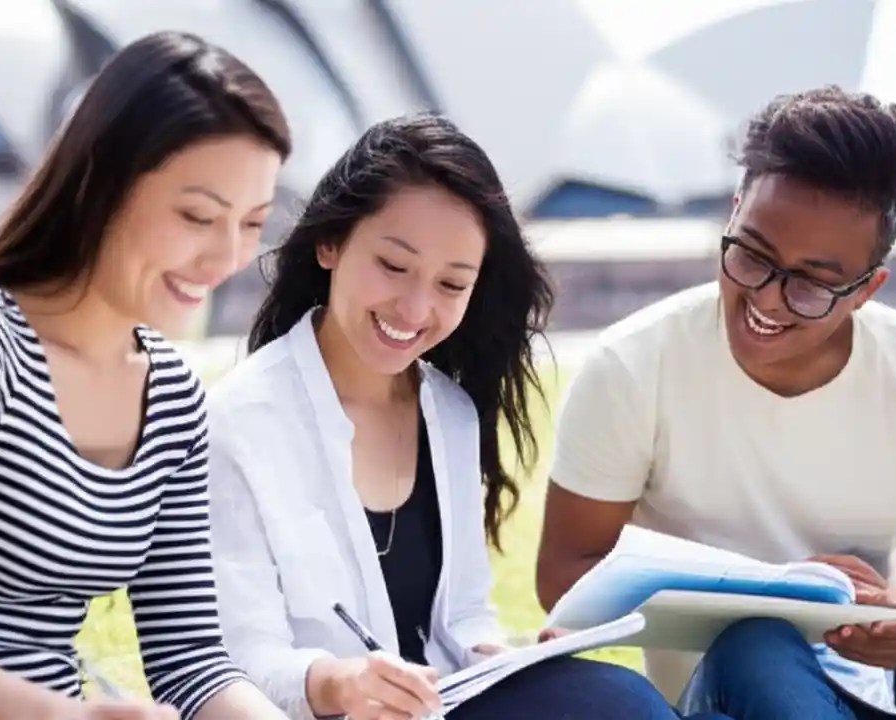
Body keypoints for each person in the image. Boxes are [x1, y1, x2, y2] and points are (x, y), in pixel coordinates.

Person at [206, 114, 728, 720]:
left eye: (452, 284)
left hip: (444, 708)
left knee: (619, 699)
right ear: (331, 243)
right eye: (394, 267)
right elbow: (233, 659)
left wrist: (502, 658)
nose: (415, 307)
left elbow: (460, 620)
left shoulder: (448, 413)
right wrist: (341, 682)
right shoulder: (241, 423)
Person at [535, 86, 896, 720]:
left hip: (891, 682)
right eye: (752, 253)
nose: (767, 299)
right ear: (733, 213)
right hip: (732, 685)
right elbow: (564, 572)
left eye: (812, 283)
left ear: (867, 289)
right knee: (760, 643)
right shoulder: (632, 366)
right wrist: (771, 601)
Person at [0, 31, 295, 720]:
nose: (226, 255)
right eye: (198, 216)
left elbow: (191, 660)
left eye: (252, 223)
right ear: (99, 185)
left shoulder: (172, 397)